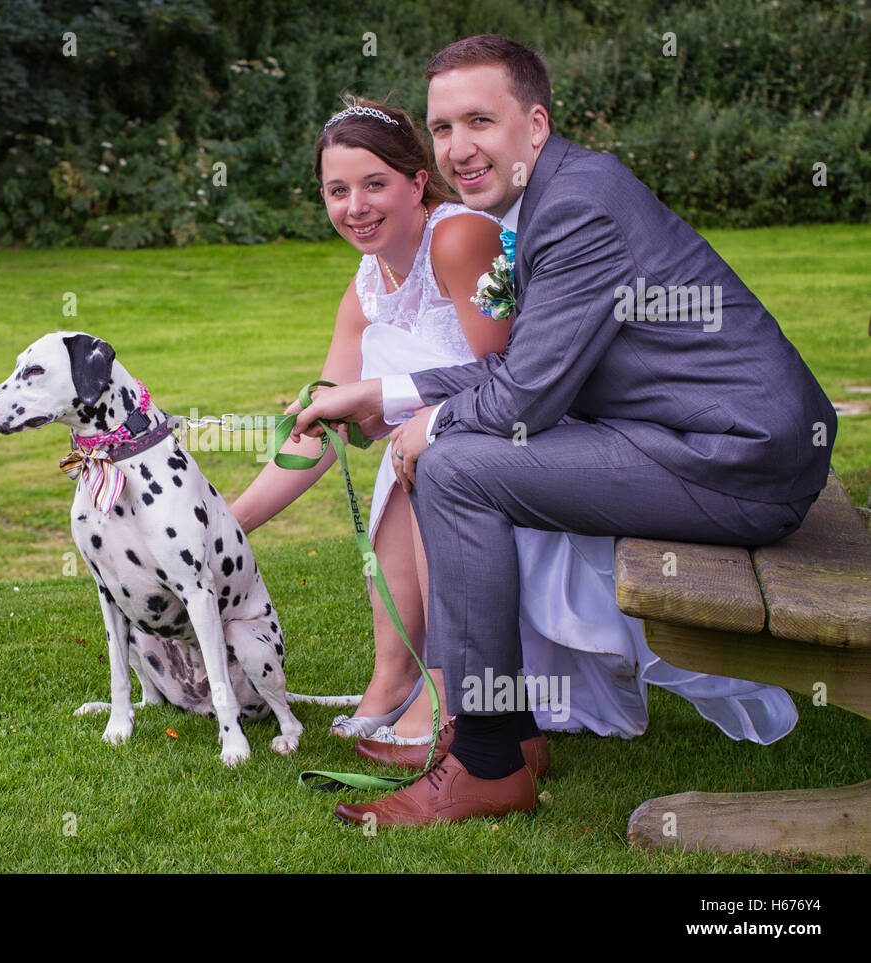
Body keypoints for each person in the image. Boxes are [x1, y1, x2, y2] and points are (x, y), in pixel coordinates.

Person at [291, 35, 837, 827]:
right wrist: (383, 391)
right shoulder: (553, 192)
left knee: (455, 468)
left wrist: (426, 420)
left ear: (535, 125)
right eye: (443, 128)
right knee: (456, 458)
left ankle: (486, 759)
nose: (457, 147)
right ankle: (506, 731)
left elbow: (523, 399)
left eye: (481, 120)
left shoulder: (577, 205)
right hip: (704, 439)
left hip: (734, 460)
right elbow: (538, 362)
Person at [229, 97, 506, 751]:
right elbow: (321, 425)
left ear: (416, 180)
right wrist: (227, 527)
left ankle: (447, 682)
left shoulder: (464, 237)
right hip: (431, 449)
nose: (356, 206)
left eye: (375, 183)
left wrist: (408, 411)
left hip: (514, 437)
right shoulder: (366, 283)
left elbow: (516, 376)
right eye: (337, 190)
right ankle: (393, 675)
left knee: (428, 457)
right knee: (406, 460)